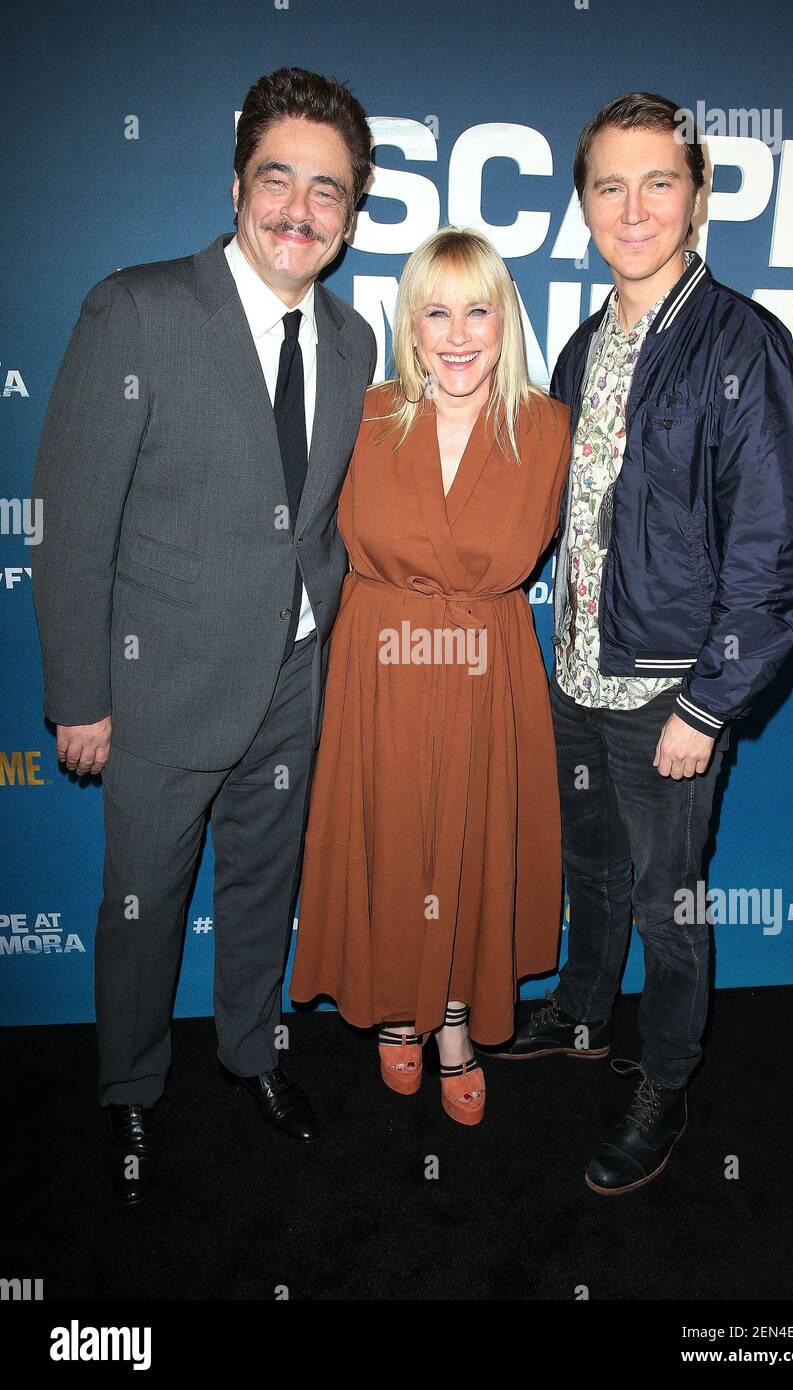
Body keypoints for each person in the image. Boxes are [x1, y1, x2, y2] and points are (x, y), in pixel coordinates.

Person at [30, 66, 377, 1204]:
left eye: (327, 190)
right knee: (142, 906)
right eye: (279, 178)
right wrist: (80, 694)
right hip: (160, 683)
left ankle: (251, 1052)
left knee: (261, 888)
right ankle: (129, 1094)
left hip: (290, 675)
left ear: (350, 211)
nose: (299, 209)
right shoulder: (135, 308)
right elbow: (72, 523)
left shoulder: (351, 339)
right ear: (236, 184)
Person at [490, 93, 793, 1192]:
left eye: (656, 183)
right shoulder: (585, 344)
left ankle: (663, 1084)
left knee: (670, 907)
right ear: (582, 204)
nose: (632, 209)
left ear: (697, 196)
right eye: (608, 187)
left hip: (670, 692)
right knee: (592, 867)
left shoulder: (742, 344)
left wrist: (706, 707)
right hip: (575, 671)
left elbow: (770, 557)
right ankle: (580, 1014)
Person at [289, 227, 572, 1125]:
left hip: (488, 672)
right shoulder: (364, 415)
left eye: (477, 309)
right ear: (409, 326)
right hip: (381, 671)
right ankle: (398, 1012)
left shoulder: (548, 427)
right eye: (435, 311)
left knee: (470, 845)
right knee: (395, 839)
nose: (457, 334)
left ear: (505, 320)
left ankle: (454, 1021)